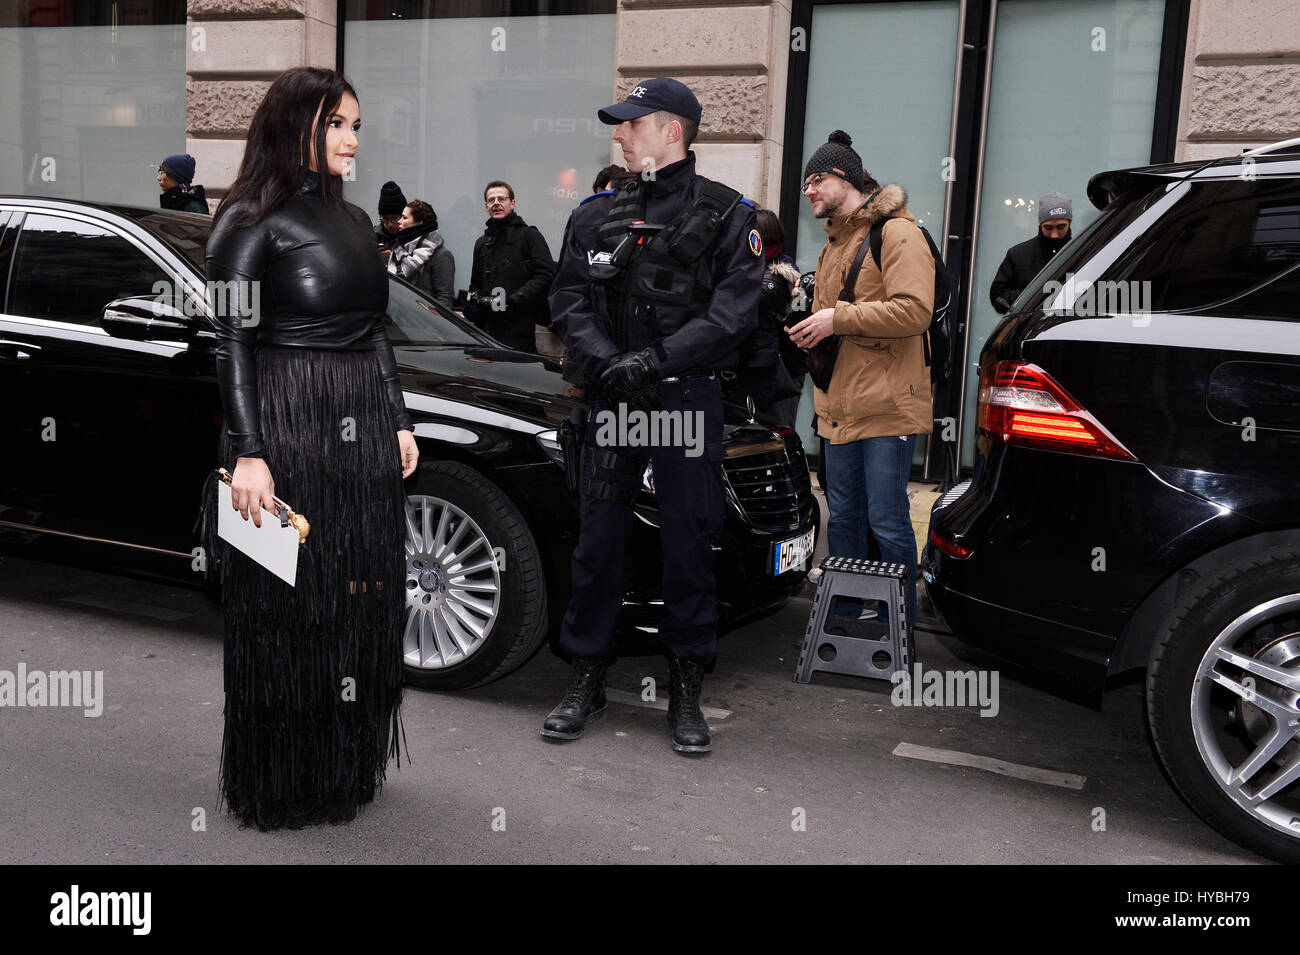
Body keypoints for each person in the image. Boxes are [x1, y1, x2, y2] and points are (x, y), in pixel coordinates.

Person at [204, 66, 419, 830]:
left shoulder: (358, 223)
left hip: (358, 428)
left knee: (355, 599)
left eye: (356, 124)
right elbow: (229, 341)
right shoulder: (246, 220)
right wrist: (249, 450)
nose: (351, 139)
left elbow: (374, 330)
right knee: (284, 611)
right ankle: (279, 779)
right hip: (287, 426)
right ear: (294, 125)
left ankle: (342, 763)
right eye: (336, 124)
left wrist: (395, 418)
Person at [546, 77, 762, 754]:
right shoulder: (593, 215)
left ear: (671, 130)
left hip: (681, 398)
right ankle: (587, 676)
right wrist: (613, 362)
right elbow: (568, 301)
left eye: (630, 124)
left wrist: (656, 361)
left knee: (688, 542)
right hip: (614, 397)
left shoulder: (730, 217)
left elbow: (732, 317)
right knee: (599, 539)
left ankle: (687, 687)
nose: (618, 133)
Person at [786, 130, 934, 626]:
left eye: (815, 180)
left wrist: (836, 319)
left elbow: (915, 312)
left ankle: (898, 624)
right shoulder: (834, 244)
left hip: (888, 404)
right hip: (838, 404)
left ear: (843, 178)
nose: (807, 190)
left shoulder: (896, 233)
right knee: (844, 519)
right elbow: (838, 322)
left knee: (886, 519)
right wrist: (812, 328)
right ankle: (845, 614)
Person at [465, 181, 556, 353]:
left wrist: (513, 302)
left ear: (512, 203)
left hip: (518, 332)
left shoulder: (529, 236)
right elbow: (475, 283)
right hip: (484, 333)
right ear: (486, 206)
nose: (496, 203)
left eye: (502, 199)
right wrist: (472, 305)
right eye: (491, 200)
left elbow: (545, 275)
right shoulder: (482, 243)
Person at [989, 191, 1073, 313]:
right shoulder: (1018, 255)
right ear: (1040, 224)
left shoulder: (1085, 252)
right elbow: (997, 294)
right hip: (1028, 327)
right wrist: (1034, 296)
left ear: (1069, 223)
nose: (1054, 235)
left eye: (1061, 227)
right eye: (1048, 227)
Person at [389, 199, 456, 311]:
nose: (399, 221)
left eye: (404, 218)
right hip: (396, 321)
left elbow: (445, 299)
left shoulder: (441, 255)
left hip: (422, 325)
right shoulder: (398, 251)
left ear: (419, 222)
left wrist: (430, 317)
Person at [375, 180, 406, 259]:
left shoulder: (415, 237)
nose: (389, 224)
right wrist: (375, 260)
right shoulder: (373, 236)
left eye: (394, 218)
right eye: (385, 218)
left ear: (404, 215)